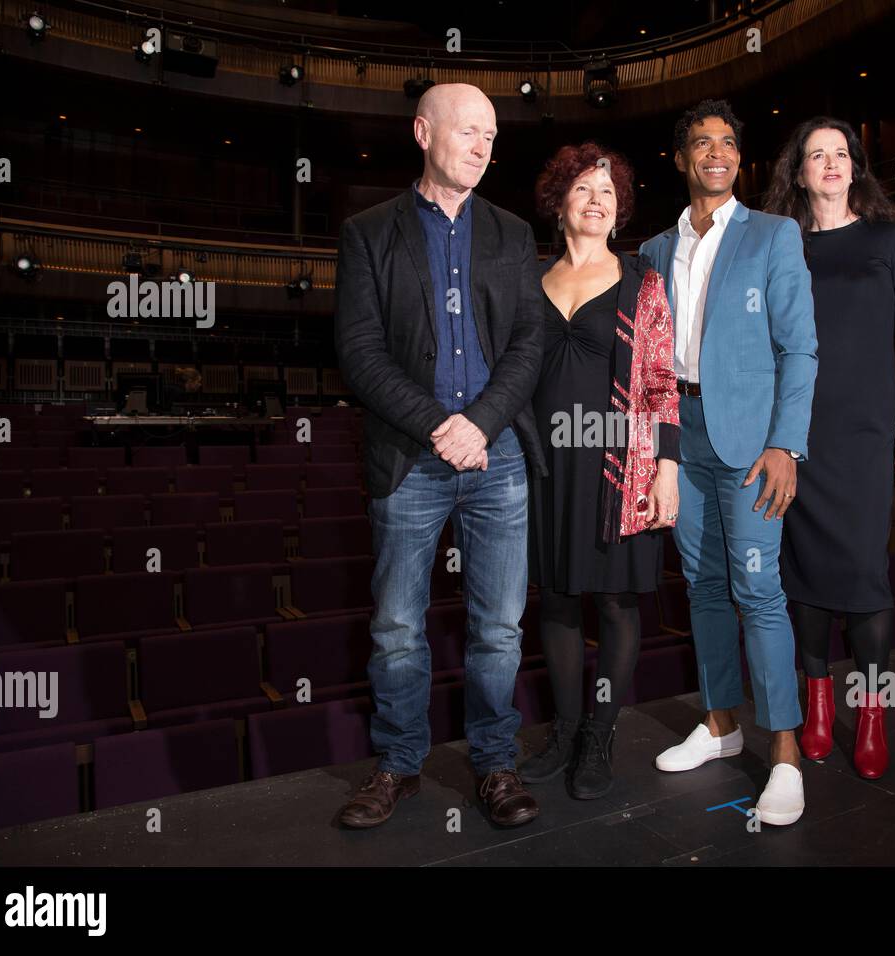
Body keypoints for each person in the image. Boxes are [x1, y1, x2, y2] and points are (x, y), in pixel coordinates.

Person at [332, 83, 546, 830]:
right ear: (423, 132)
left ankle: (495, 762)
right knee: (397, 627)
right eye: (469, 131)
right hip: (409, 461)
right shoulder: (368, 232)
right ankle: (397, 764)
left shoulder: (513, 233)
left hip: (499, 460)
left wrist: (480, 425)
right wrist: (439, 426)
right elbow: (359, 355)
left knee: (499, 628)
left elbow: (528, 344)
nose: (485, 147)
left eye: (492, 135)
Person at [639, 99, 818, 826]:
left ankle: (784, 753)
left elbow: (799, 348)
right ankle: (720, 724)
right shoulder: (653, 250)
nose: (716, 152)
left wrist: (786, 443)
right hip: (683, 431)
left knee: (758, 591)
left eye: (727, 143)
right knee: (703, 588)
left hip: (752, 440)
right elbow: (648, 363)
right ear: (681, 160)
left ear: (738, 160)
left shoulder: (775, 236)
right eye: (700, 143)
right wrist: (657, 452)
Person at [763, 116, 895, 779]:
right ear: (799, 172)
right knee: (803, 576)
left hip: (864, 437)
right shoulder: (783, 245)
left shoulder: (889, 240)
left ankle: (871, 716)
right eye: (816, 155)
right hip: (799, 435)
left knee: (864, 578)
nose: (830, 164)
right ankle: (819, 708)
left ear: (856, 167)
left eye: (841, 154)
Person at [517, 143, 680, 799]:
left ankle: (600, 734)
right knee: (554, 597)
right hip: (542, 464)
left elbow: (664, 383)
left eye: (607, 193)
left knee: (614, 603)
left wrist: (667, 468)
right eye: (583, 189)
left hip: (621, 463)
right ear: (560, 202)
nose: (595, 200)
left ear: (619, 211)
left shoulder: (642, 282)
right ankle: (565, 730)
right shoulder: (527, 281)